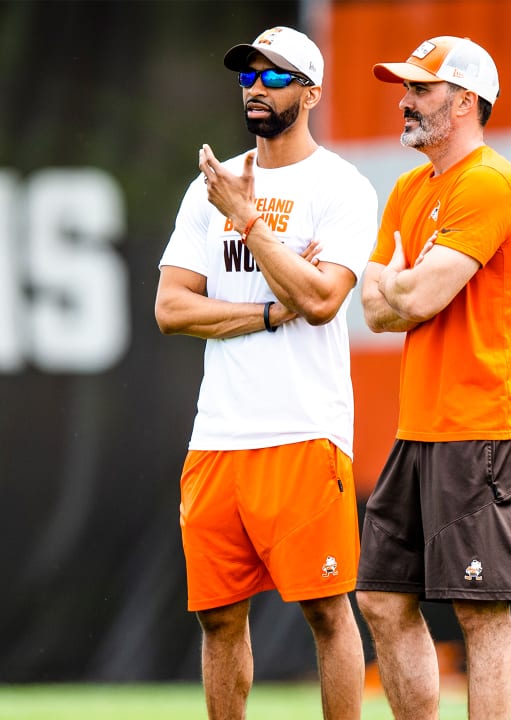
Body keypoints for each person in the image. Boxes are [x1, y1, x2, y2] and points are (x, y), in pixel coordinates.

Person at [154, 25, 377, 720]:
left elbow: (320, 298)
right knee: (219, 619)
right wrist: (267, 313)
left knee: (326, 611)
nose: (256, 87)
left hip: (303, 431)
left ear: (310, 93)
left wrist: (248, 221)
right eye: (248, 75)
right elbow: (170, 308)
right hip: (219, 437)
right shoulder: (211, 187)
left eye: (276, 77)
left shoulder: (340, 186)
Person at [355, 36, 511, 720]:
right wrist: (397, 284)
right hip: (422, 426)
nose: (404, 101)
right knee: (379, 597)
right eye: (405, 88)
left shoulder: (491, 181)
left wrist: (395, 281)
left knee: (480, 612)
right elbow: (373, 311)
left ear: (465, 102)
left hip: (484, 427)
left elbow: (408, 300)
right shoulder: (410, 187)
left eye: (421, 89)